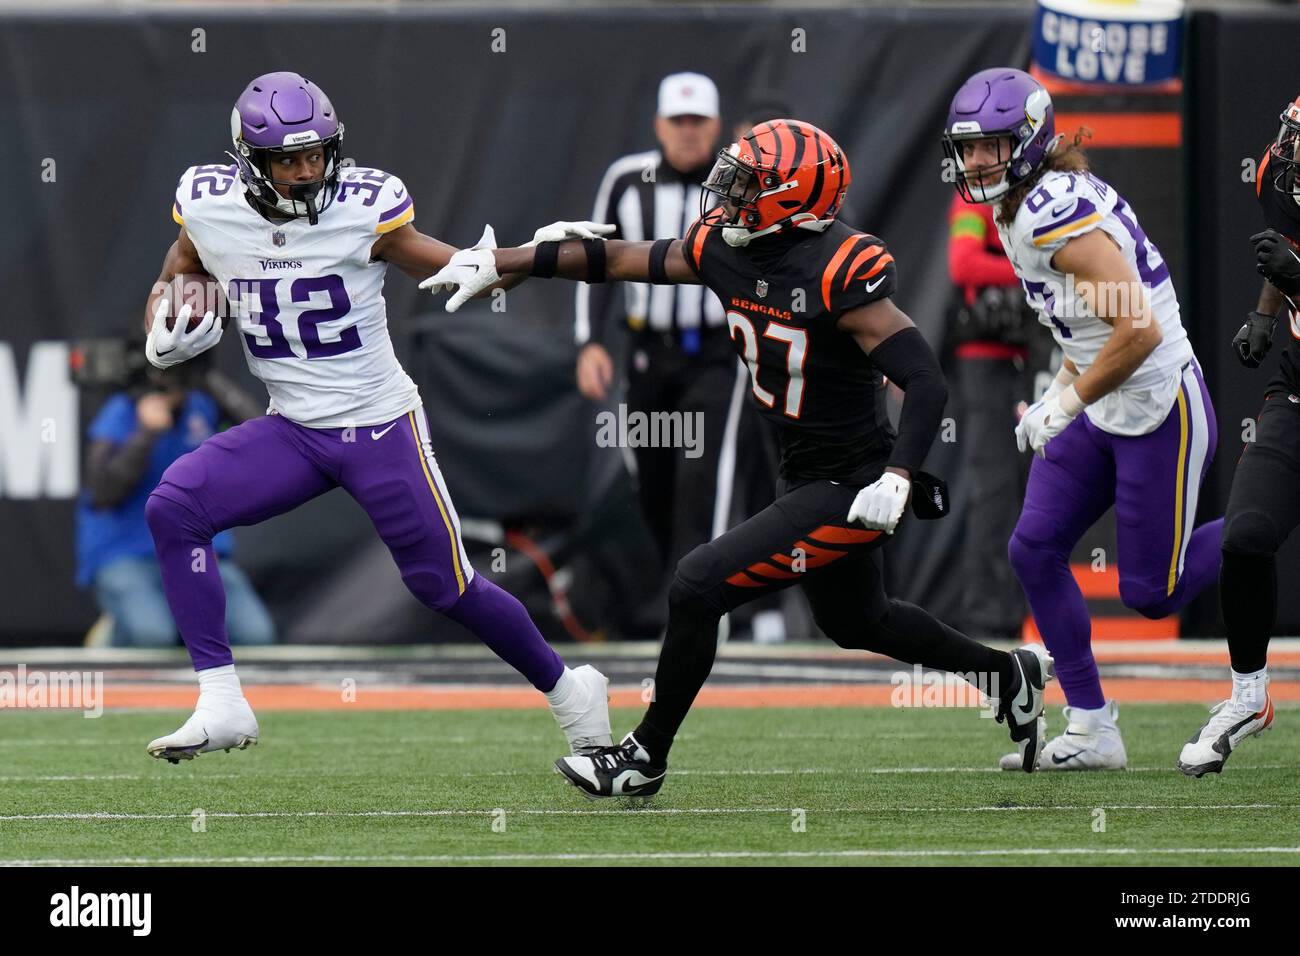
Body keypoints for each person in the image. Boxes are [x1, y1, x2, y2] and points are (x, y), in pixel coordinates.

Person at [424, 118, 1056, 796]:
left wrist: (898, 476)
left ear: (793, 197)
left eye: (747, 182)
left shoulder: (841, 268)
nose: (726, 192)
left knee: (698, 583)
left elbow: (925, 379)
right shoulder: (725, 248)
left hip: (852, 479)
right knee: (856, 620)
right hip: (800, 468)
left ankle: (644, 756)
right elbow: (615, 258)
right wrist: (508, 261)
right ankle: (1006, 675)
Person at [140, 70, 612, 763]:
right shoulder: (207, 203)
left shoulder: (366, 210)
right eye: (289, 159)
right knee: (174, 507)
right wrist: (164, 315)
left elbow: (462, 274)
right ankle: (221, 701)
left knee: (443, 585)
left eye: (317, 154)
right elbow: (181, 264)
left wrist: (533, 259)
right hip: (294, 428)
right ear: (250, 162)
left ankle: (573, 694)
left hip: (378, 427)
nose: (307, 170)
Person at [942, 67, 1223, 771]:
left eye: (992, 147)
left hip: (1159, 400)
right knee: (1032, 548)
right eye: (969, 149)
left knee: (1150, 594)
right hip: (1105, 389)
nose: (977, 162)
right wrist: (1061, 386)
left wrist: (1066, 401)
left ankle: (1260, 524)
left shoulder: (1043, 208)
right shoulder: (1019, 202)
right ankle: (1093, 725)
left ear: (1029, 139)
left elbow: (1138, 331)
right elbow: (1088, 328)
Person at [574, 73, 745, 589]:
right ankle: (680, 587)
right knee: (651, 481)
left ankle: (699, 602)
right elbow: (594, 260)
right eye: (678, 121)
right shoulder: (628, 180)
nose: (688, 132)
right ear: (659, 125)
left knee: (701, 475)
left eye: (698, 121)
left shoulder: (739, 183)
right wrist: (589, 342)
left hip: (716, 354)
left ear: (715, 126)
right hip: (648, 353)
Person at [1178, 95, 1300, 775]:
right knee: (1246, 534)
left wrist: (1296, 278)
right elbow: (1288, 254)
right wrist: (1266, 311)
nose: (1288, 153)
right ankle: (1249, 695)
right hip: (1298, 387)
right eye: (1292, 139)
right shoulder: (1279, 179)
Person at [77, 358, 274, 648]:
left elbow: (267, 445)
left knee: (256, 635)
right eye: (164, 369)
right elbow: (103, 493)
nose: (170, 381)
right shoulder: (123, 410)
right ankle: (113, 635)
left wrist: (208, 378)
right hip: (128, 553)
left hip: (198, 554)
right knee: (152, 635)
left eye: (180, 370)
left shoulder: (203, 405)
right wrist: (145, 434)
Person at [946, 191, 1037, 640]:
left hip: (1031, 354)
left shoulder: (1033, 203)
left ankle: (1015, 612)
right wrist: (1031, 271)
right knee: (995, 486)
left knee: (1027, 485)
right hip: (984, 357)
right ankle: (985, 615)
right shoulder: (971, 205)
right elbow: (962, 264)